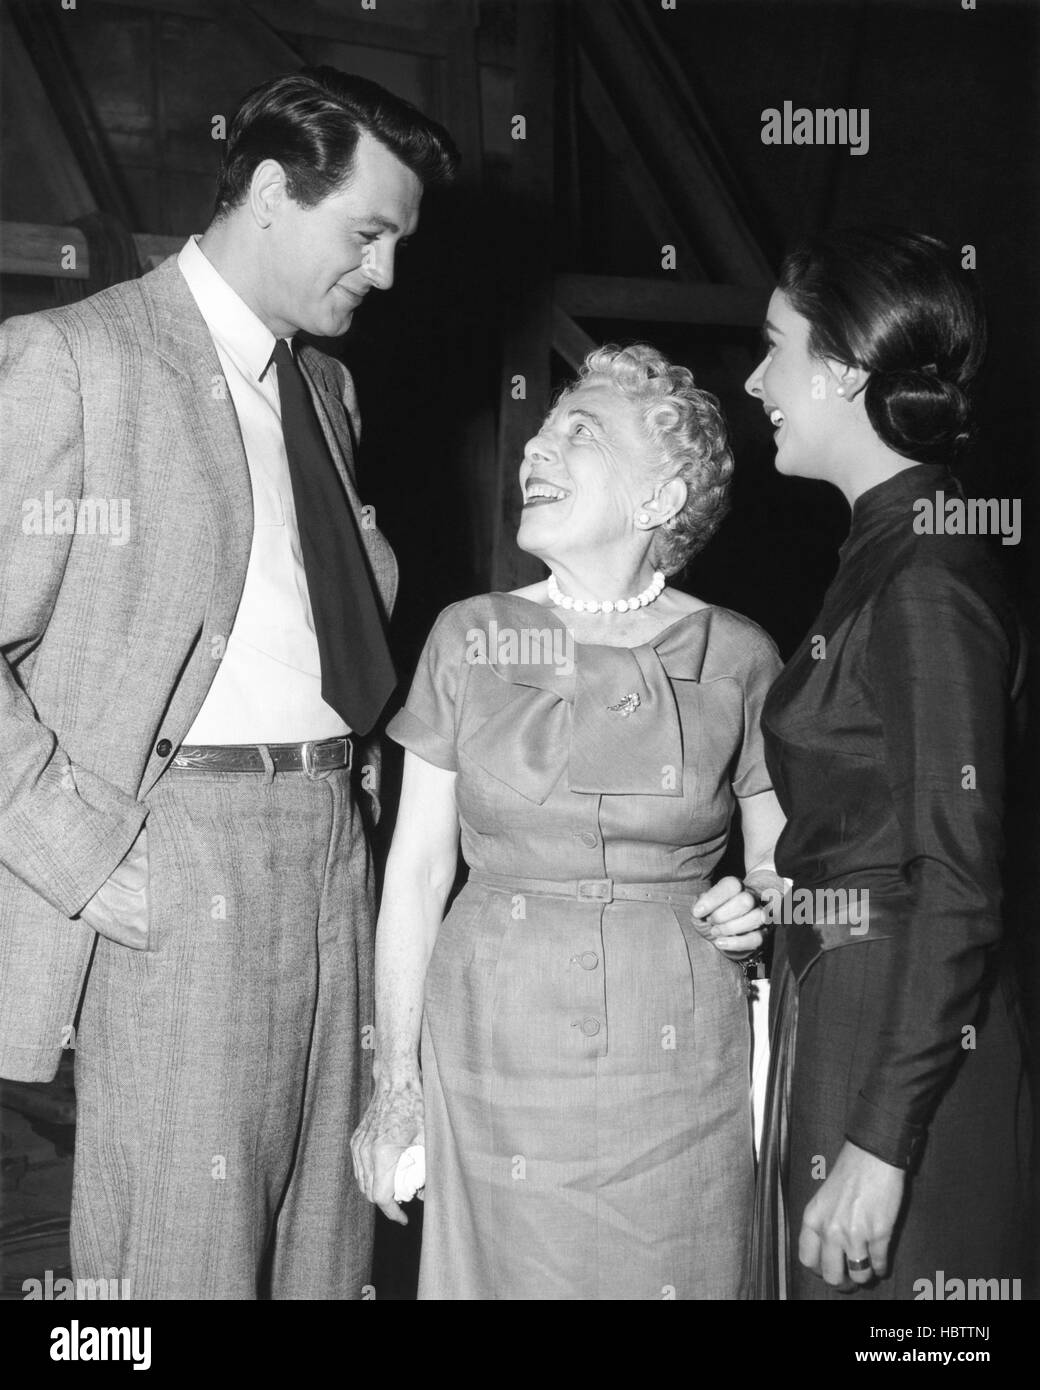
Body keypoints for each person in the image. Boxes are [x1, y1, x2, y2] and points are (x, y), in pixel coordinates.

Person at [0, 67, 458, 1299]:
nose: (386, 271)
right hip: (182, 853)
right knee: (179, 1272)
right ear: (268, 191)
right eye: (367, 234)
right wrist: (94, 859)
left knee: (328, 1247)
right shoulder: (73, 359)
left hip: (333, 840)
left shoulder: (325, 387)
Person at [351, 343, 787, 1299]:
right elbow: (417, 875)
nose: (536, 450)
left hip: (678, 1067)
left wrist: (755, 907)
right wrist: (394, 1093)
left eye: (578, 433)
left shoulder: (741, 656)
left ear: (659, 500)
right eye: (542, 432)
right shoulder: (468, 635)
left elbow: (778, 867)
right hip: (494, 1052)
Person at [746, 228, 1032, 1299]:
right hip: (849, 1000)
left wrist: (876, 1142)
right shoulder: (886, 544)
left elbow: (956, 880)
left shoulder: (923, 572)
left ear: (840, 369)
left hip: (897, 1038)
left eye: (772, 349)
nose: (755, 379)